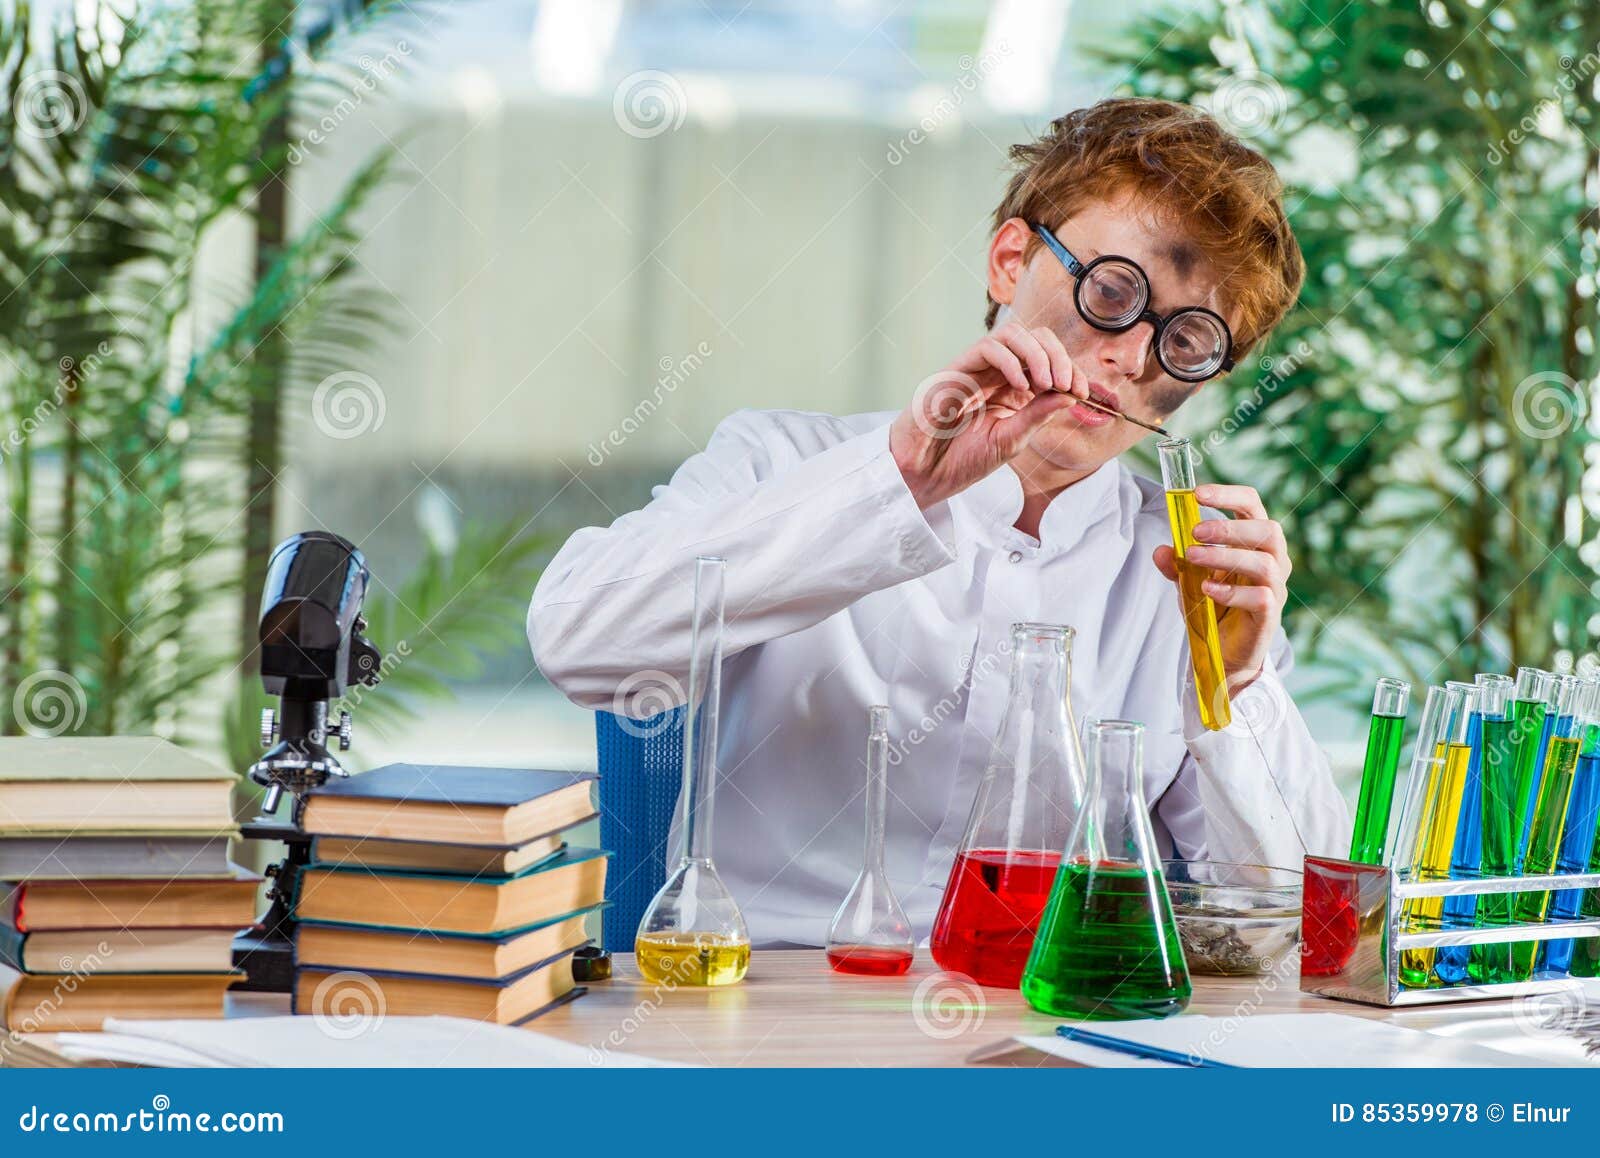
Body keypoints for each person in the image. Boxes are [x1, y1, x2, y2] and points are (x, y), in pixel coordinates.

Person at [528, 97, 1350, 948]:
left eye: (1186, 342)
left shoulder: (1182, 575)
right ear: (1009, 261)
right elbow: (573, 637)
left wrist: (1234, 693)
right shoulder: (780, 458)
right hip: (776, 1014)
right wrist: (899, 480)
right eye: (1112, 291)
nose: (1133, 359)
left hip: (1043, 1032)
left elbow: (1297, 929)